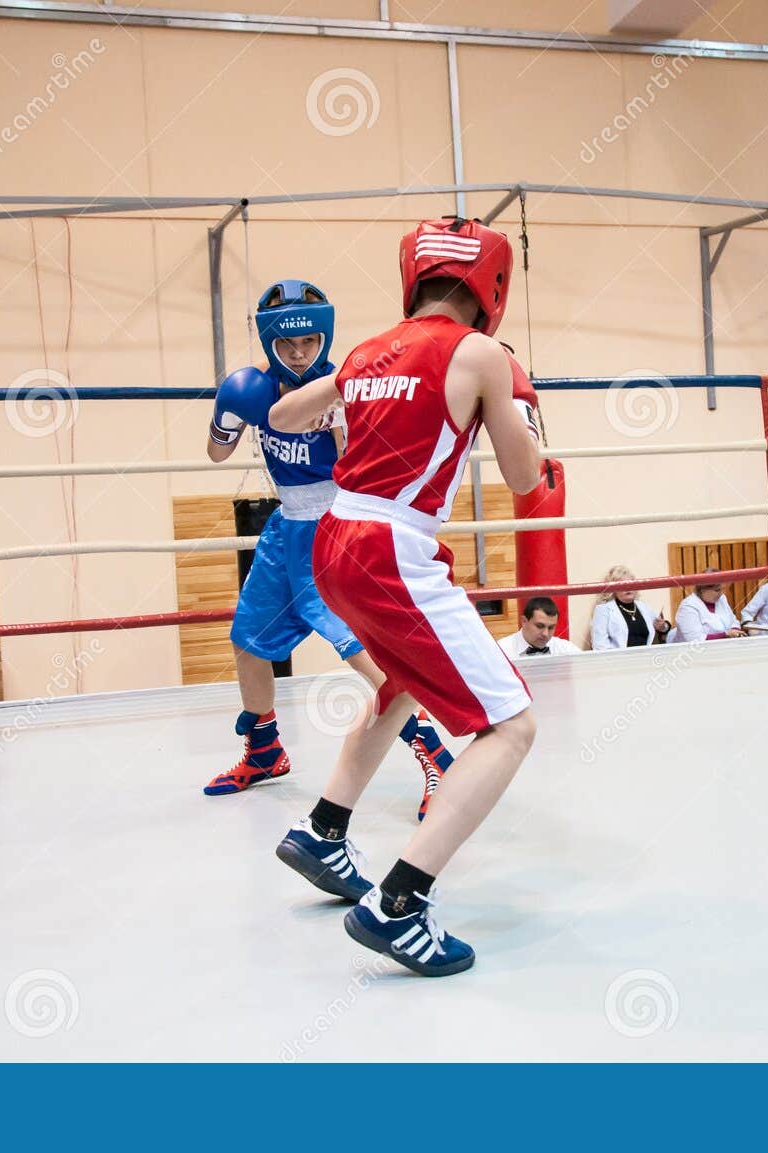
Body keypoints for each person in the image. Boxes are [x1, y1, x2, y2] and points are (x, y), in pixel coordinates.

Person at [267, 216, 541, 977]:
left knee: (398, 688)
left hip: (334, 537)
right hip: (392, 547)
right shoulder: (481, 353)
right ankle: (401, 901)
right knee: (510, 725)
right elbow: (526, 481)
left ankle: (323, 830)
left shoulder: (366, 351)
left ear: (414, 279)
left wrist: (339, 404)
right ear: (490, 287)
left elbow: (285, 414)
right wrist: (524, 415)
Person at [203, 279, 453, 821]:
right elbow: (217, 455)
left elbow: (363, 470)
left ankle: (440, 760)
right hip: (284, 526)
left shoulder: (349, 387)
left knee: (367, 656)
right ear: (270, 344)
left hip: (335, 526)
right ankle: (264, 750)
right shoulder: (251, 389)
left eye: (310, 342)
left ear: (325, 337)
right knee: (249, 639)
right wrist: (227, 414)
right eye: (288, 345)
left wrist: (342, 427)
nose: (299, 354)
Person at [588, 565, 671, 650]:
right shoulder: (603, 610)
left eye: (631, 584)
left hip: (646, 658)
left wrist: (663, 626)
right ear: (613, 589)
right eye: (622, 585)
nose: (628, 588)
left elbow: (664, 626)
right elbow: (599, 645)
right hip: (619, 660)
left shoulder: (643, 607)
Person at [499, 596, 581, 658]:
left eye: (551, 627)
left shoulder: (567, 649)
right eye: (539, 626)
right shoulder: (502, 651)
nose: (545, 634)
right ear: (524, 621)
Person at [674, 570, 743, 641]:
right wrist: (726, 635)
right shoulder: (688, 606)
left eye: (723, 589)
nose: (721, 593)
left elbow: (733, 621)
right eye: (717, 590)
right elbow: (695, 640)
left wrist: (735, 631)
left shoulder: (722, 598)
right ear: (703, 589)